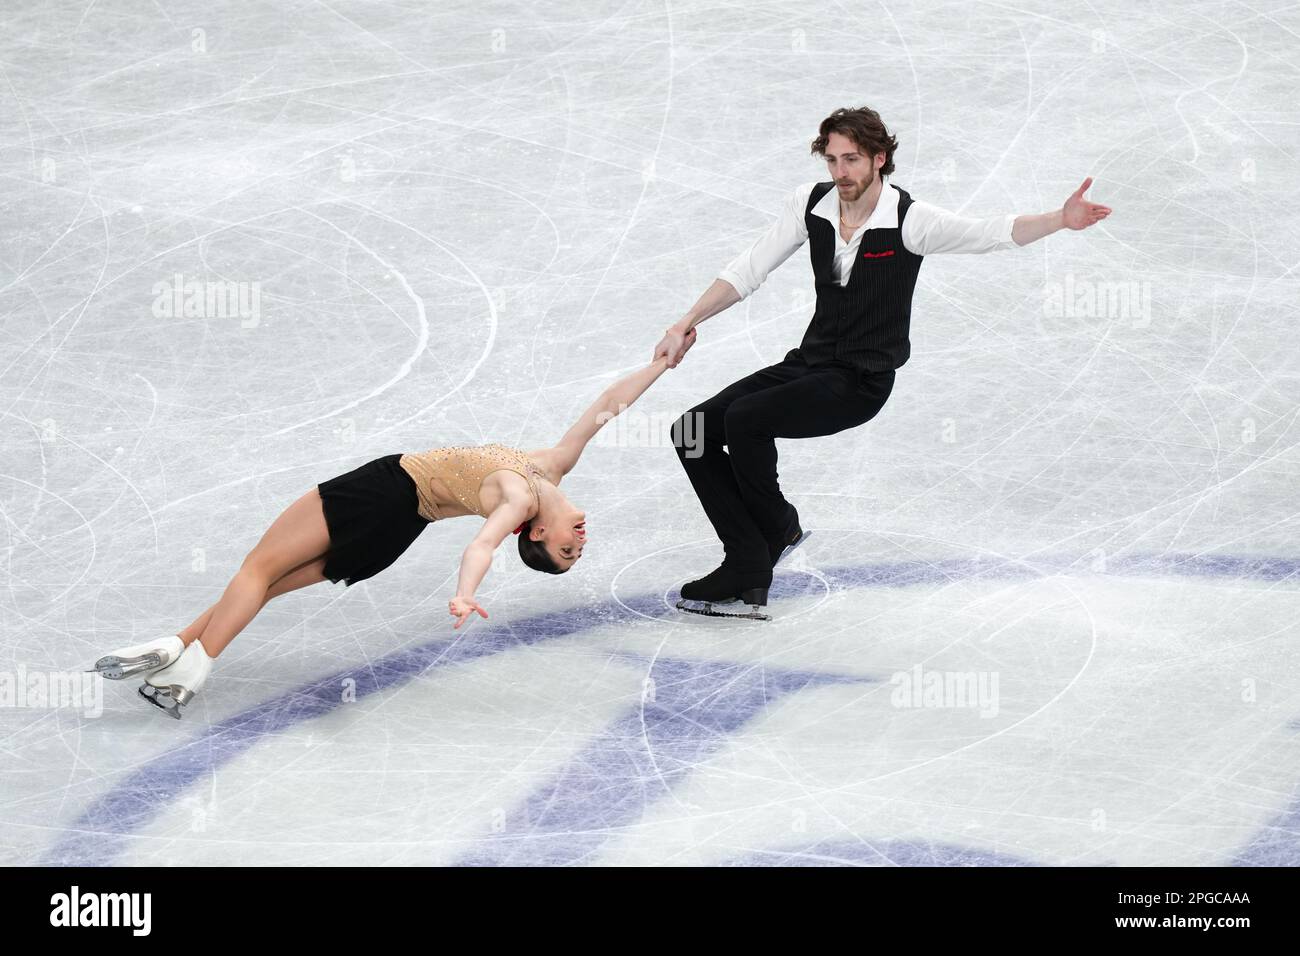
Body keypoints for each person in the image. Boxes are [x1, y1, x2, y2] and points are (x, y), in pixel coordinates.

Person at [654, 106, 1112, 617]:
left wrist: (1060, 220)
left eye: (851, 160)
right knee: (691, 430)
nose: (840, 172)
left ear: (879, 158)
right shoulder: (813, 206)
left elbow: (989, 233)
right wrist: (685, 323)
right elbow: (748, 269)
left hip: (859, 381)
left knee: (745, 420)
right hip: (808, 364)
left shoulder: (909, 220)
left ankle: (753, 558)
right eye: (831, 160)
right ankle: (768, 536)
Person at [90, 336, 695, 718]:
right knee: (266, 586)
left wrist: (465, 592)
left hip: (381, 495)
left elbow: (483, 544)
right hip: (397, 530)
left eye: (567, 550)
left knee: (256, 569)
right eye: (578, 548)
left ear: (535, 534)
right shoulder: (548, 468)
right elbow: (604, 410)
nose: (580, 540)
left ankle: (190, 670)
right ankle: (174, 646)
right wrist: (659, 365)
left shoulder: (516, 497)